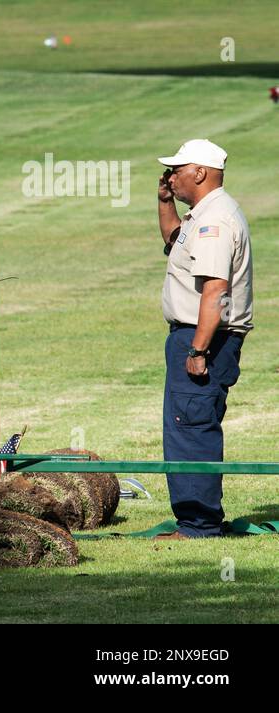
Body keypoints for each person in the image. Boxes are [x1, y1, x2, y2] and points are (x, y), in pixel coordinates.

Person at [156, 139, 252, 539]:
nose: (170, 175)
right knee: (187, 425)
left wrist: (197, 350)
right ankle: (197, 520)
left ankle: (198, 526)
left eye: (178, 169)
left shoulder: (215, 223)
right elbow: (173, 241)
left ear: (200, 173)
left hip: (205, 339)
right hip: (199, 335)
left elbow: (215, 291)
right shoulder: (203, 215)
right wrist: (165, 201)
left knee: (191, 427)